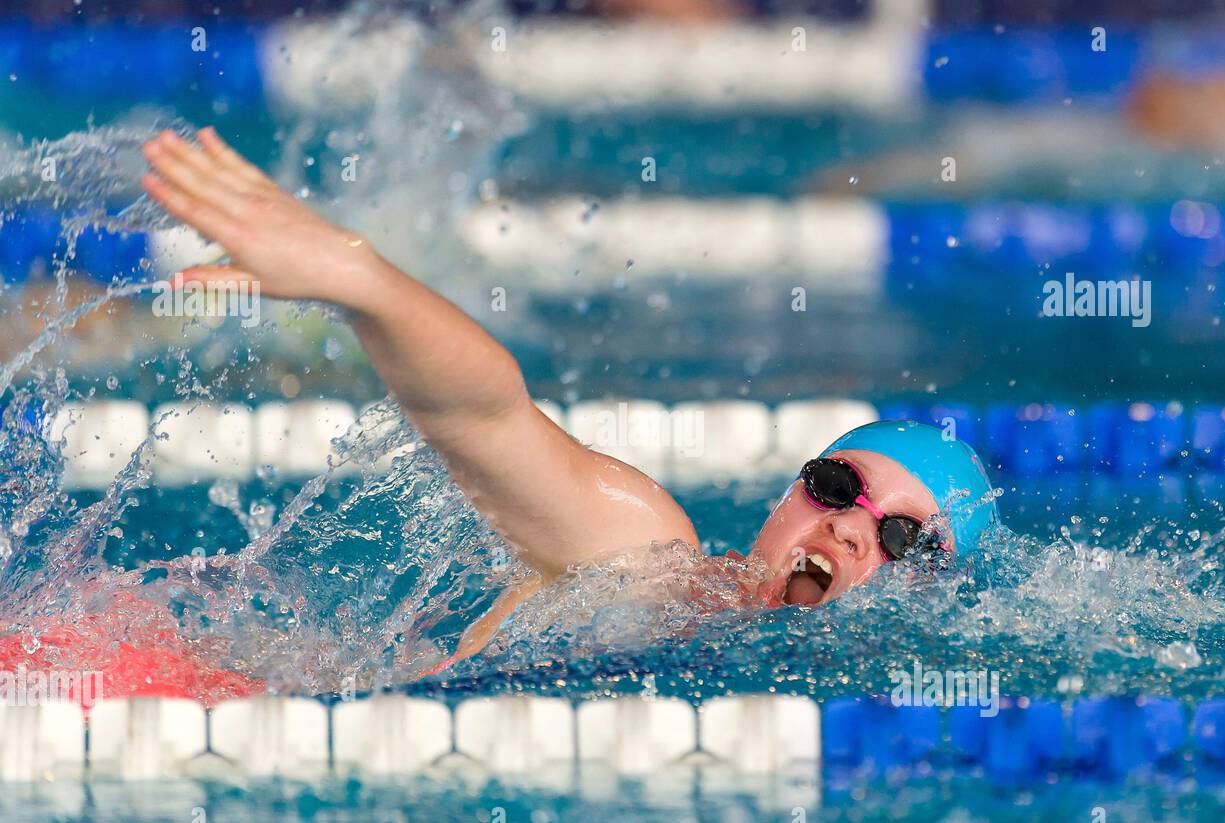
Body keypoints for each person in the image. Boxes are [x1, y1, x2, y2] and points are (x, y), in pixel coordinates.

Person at [136, 127, 998, 676]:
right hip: (182, 698)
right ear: (787, 495)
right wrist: (363, 281)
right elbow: (486, 415)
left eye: (902, 540)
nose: (850, 526)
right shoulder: (643, 561)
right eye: (838, 485)